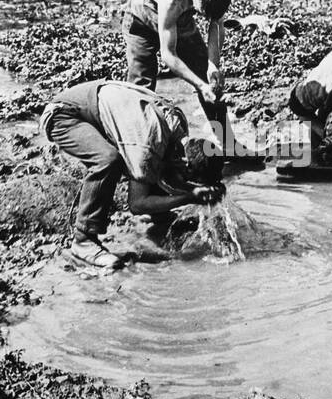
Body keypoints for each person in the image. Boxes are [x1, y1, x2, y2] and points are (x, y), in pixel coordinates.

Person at [40, 79, 224, 271]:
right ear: (187, 165)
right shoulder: (148, 142)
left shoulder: (178, 128)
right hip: (63, 115)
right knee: (108, 160)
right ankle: (83, 240)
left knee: (160, 163)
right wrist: (188, 196)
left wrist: (194, 190)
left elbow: (169, 172)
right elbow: (137, 204)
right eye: (190, 179)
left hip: (93, 106)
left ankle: (160, 215)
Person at [122, 0, 243, 160]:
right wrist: (199, 85)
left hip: (180, 16)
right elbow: (168, 55)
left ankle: (229, 145)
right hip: (142, 13)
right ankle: (136, 154)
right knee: (140, 86)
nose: (205, 18)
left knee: (206, 75)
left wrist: (212, 65)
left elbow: (216, 25)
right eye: (203, 13)